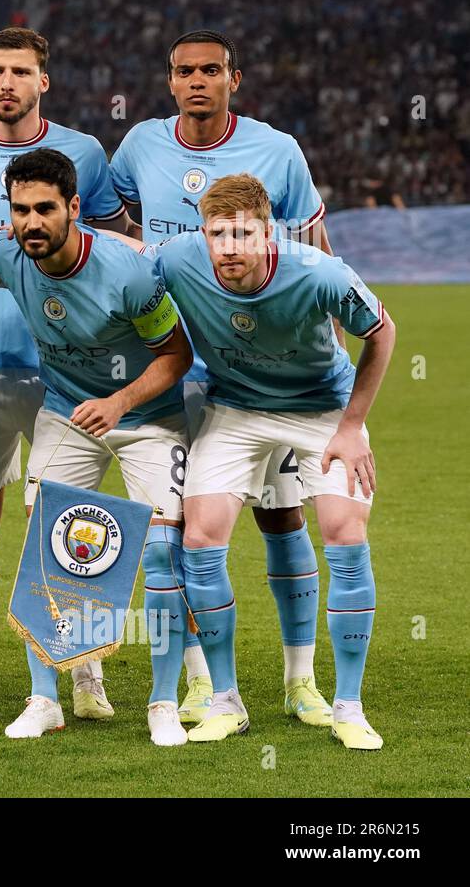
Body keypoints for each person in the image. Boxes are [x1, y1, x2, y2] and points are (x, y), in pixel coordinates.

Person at [110, 30, 337, 726]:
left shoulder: (278, 151)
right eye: (186, 71)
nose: (198, 80)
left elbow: (313, 251)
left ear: (235, 77)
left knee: (279, 511)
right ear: (170, 80)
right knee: (179, 527)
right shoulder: (140, 146)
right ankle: (204, 682)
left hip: (257, 373)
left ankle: (301, 682)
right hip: (172, 368)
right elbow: (120, 234)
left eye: (212, 69)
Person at [0, 149, 193, 745]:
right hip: (65, 413)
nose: (30, 222)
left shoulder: (128, 270)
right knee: (48, 548)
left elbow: (177, 355)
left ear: (75, 208)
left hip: (149, 418)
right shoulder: (6, 253)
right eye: (19, 210)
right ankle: (47, 697)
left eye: (44, 209)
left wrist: (120, 403)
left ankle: (163, 705)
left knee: (164, 555)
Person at [151, 173, 394, 750]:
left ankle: (349, 706)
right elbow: (124, 264)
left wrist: (354, 424)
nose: (229, 246)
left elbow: (382, 332)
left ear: (269, 233)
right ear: (202, 234)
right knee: (201, 541)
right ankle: (226, 700)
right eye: (217, 233)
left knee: (344, 534)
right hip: (234, 408)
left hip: (322, 411)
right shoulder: (180, 259)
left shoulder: (319, 273)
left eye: (242, 233)